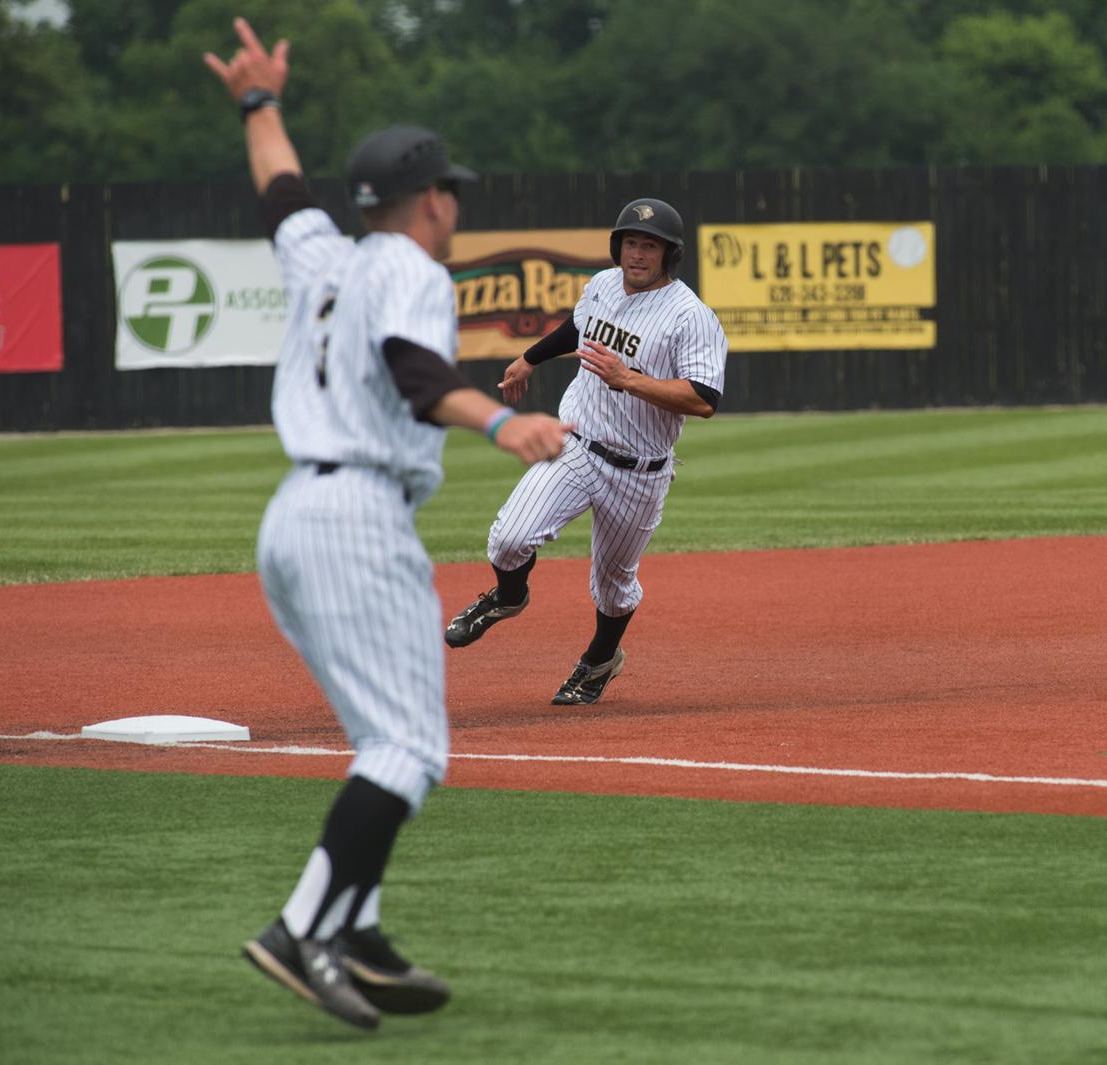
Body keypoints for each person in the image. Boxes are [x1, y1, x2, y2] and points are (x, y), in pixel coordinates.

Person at [204, 17, 570, 1030]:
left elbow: (281, 188)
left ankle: (355, 931)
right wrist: (502, 421)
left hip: (296, 516)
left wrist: (258, 101)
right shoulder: (410, 265)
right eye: (453, 192)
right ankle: (302, 929)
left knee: (389, 738)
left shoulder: (327, 252)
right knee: (407, 749)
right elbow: (415, 379)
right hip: (358, 513)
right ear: (435, 200)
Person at [443, 196, 728, 706]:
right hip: (576, 443)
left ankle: (600, 660)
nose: (638, 255)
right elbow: (579, 329)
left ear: (669, 255)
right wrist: (529, 359)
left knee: (615, 587)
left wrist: (630, 380)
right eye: (631, 243)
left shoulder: (691, 316)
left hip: (640, 470)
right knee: (509, 538)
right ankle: (508, 599)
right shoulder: (601, 284)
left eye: (650, 246)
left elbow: (704, 400)